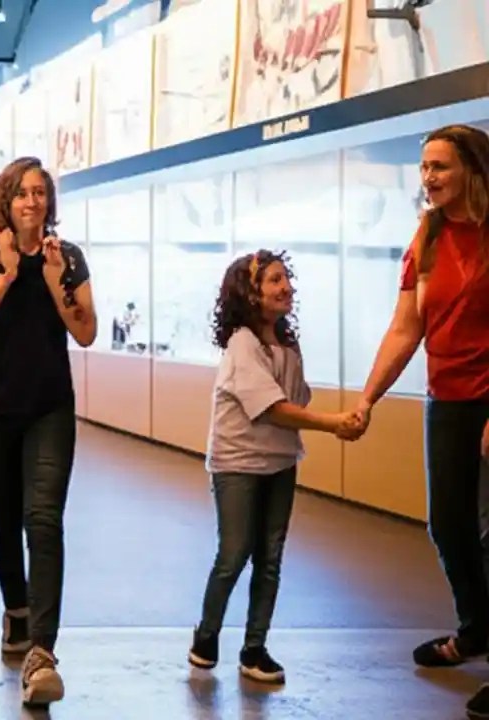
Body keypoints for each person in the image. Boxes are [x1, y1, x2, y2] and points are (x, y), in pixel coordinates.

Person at [349, 125, 489, 717]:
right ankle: (477, 628)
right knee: (448, 526)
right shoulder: (427, 236)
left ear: (473, 172)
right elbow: (408, 328)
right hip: (447, 398)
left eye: (441, 167)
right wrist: (367, 398)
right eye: (424, 166)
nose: (428, 177)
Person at [0, 156, 96, 707]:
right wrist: (9, 274)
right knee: (5, 515)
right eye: (22, 193)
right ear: (6, 201)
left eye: (40, 193)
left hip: (50, 407)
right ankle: (16, 608)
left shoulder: (68, 257)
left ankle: (42, 649)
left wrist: (59, 282)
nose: (32, 202)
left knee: (44, 518)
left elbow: (85, 331)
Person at [187, 250, 362, 684]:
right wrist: (334, 424)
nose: (286, 287)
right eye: (274, 280)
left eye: (286, 278)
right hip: (238, 464)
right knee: (234, 554)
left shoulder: (285, 342)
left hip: (280, 462)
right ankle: (205, 637)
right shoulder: (242, 344)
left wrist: (292, 363)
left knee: (270, 556)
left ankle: (254, 648)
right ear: (250, 293)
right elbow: (273, 409)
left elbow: (296, 398)